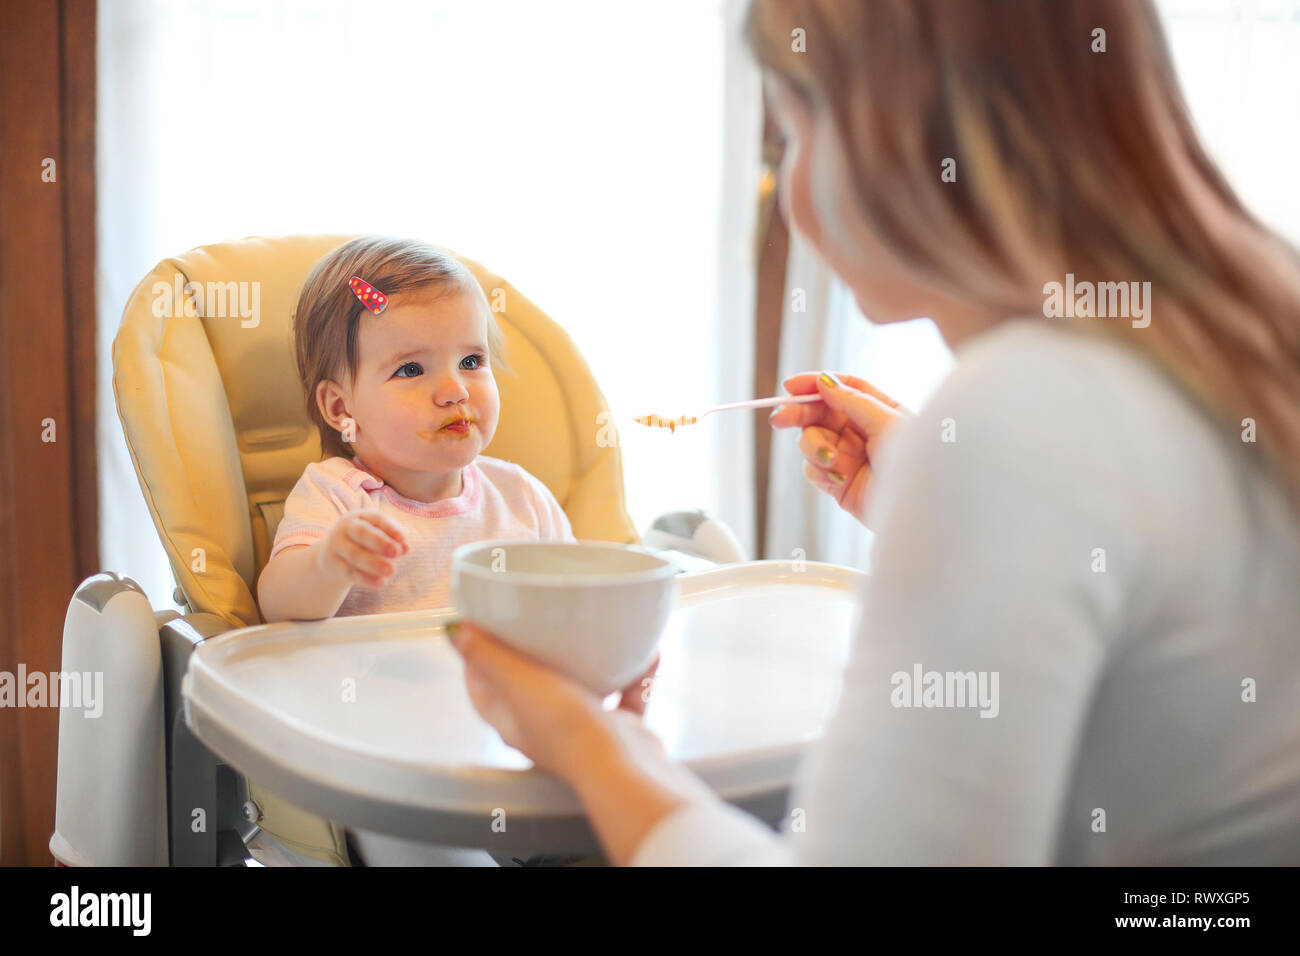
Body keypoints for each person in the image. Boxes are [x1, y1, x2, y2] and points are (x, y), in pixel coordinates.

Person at [448, 0, 1300, 865]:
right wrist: (933, 507)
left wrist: (592, 749)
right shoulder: (1254, 324)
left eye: (791, 138)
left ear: (898, 130)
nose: (788, 202)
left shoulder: (1021, 413)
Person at [257, 235, 575, 623]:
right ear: (341, 408)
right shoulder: (339, 497)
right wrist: (329, 563)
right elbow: (276, 605)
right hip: (372, 682)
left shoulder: (521, 498)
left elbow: (576, 600)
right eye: (411, 369)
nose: (455, 390)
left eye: (471, 361)